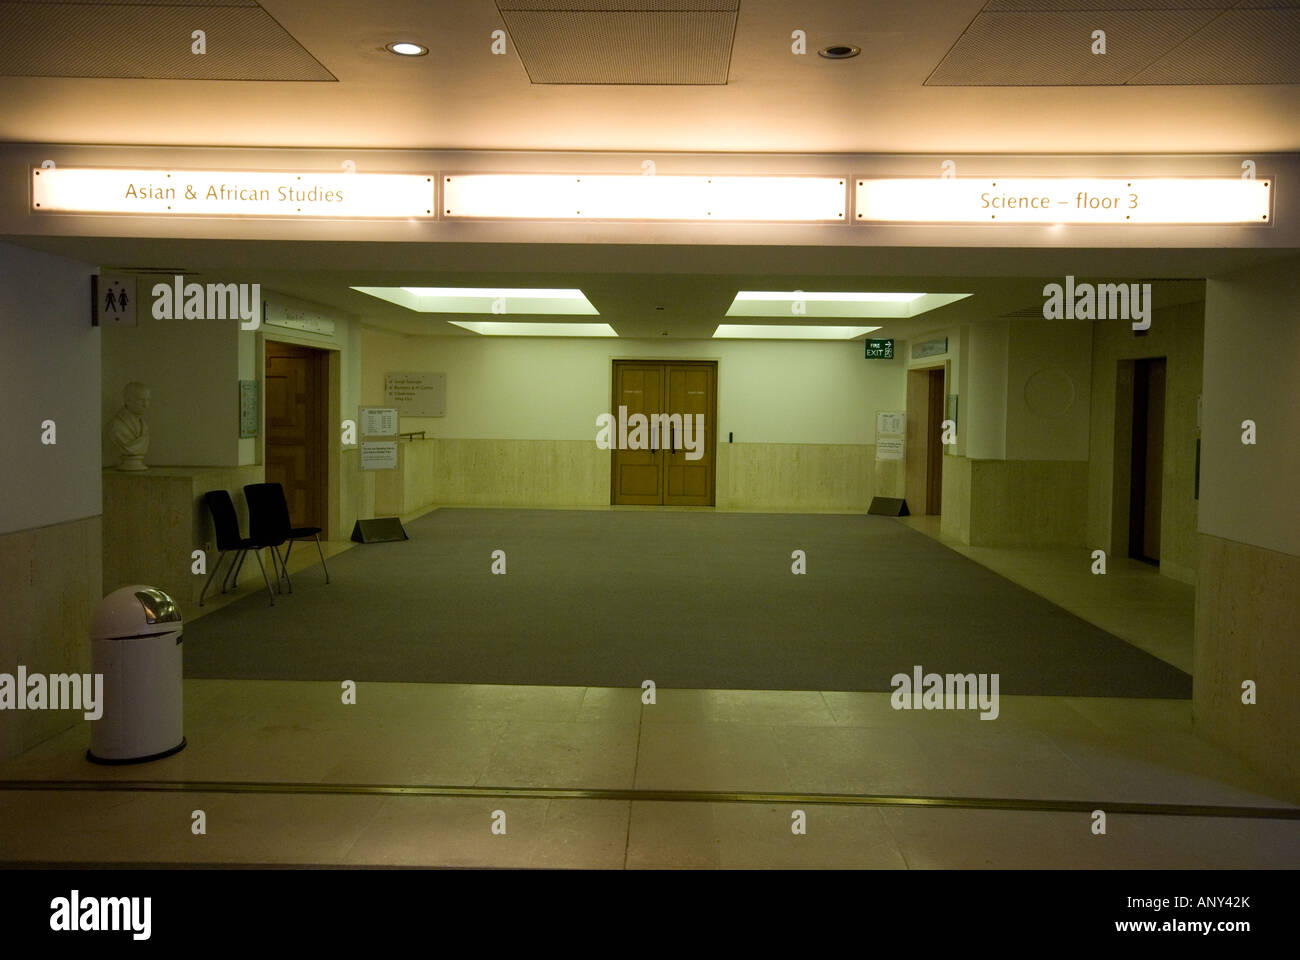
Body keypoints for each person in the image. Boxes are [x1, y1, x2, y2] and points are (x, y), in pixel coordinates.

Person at [107, 382, 151, 470]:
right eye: (141, 400)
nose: (146, 405)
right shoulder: (116, 425)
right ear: (128, 400)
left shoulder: (144, 425)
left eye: (148, 400)